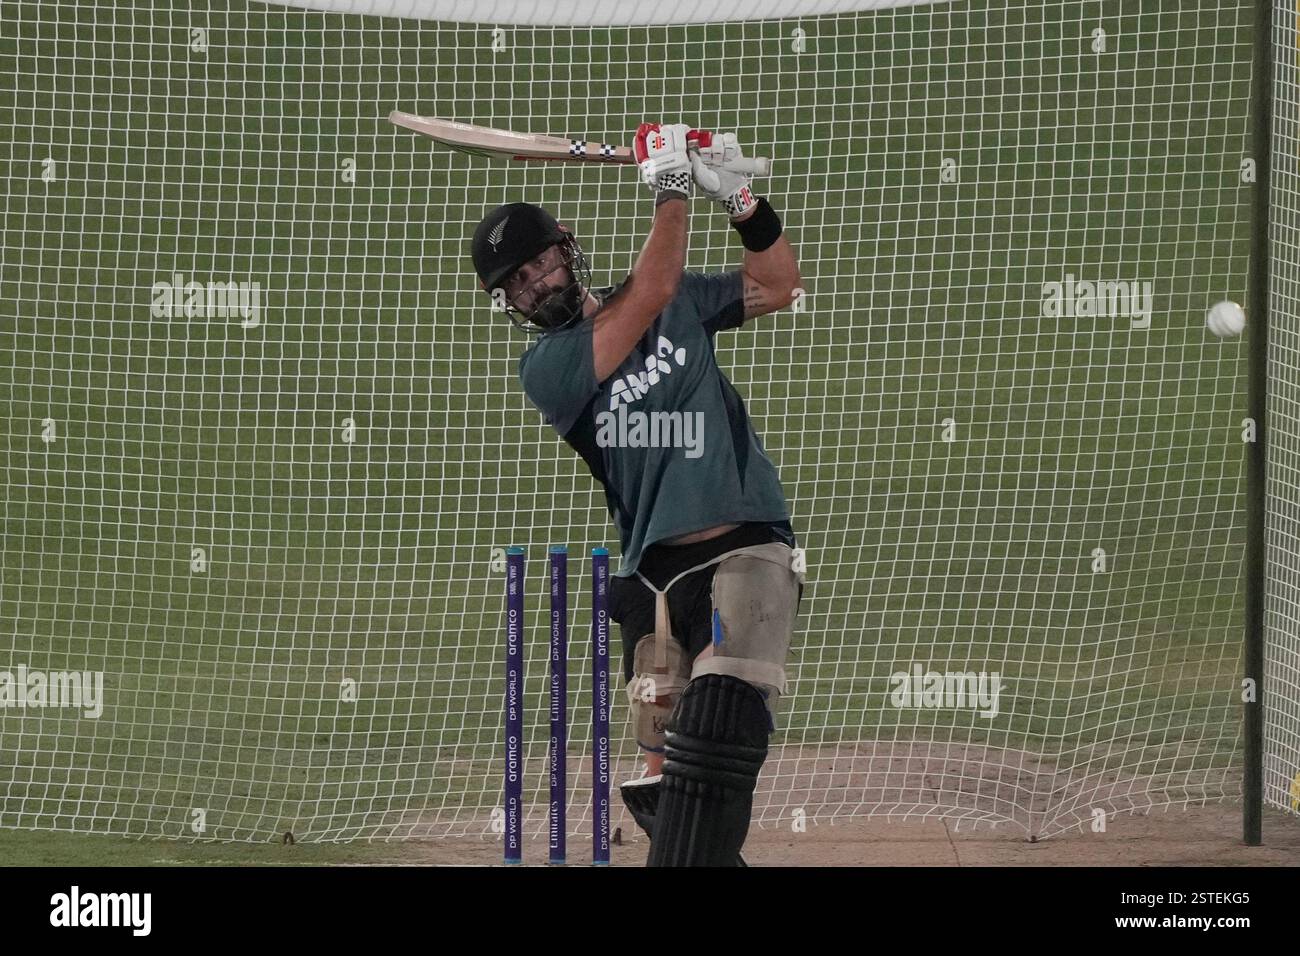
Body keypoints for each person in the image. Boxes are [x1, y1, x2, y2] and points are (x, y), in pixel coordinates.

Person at [470, 122, 804, 866]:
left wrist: (741, 201)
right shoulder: (547, 369)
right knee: (667, 790)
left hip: (745, 543)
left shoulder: (679, 303)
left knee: (718, 730)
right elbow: (650, 290)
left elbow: (779, 285)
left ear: (567, 247)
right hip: (652, 578)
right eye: (516, 284)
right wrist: (672, 186)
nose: (535, 286)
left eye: (539, 264)